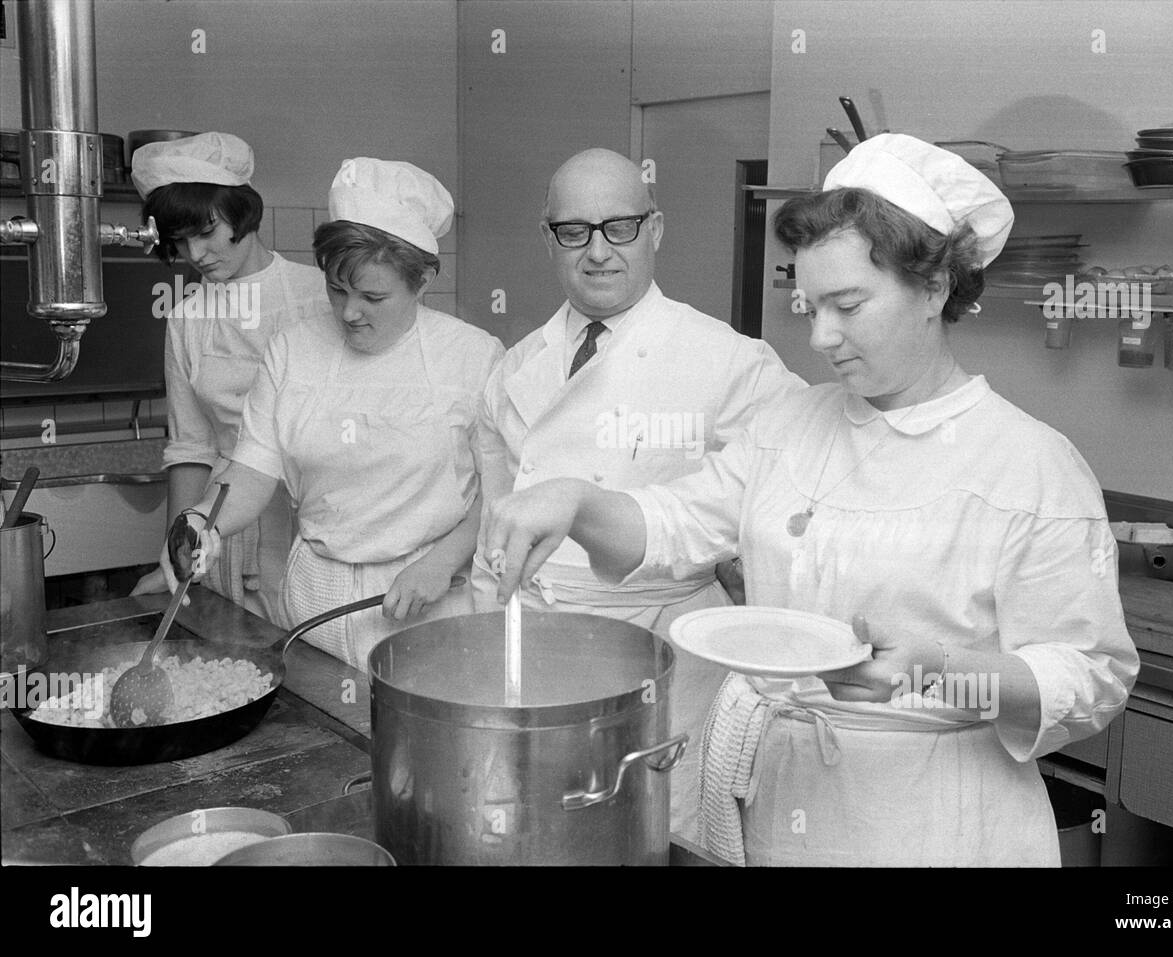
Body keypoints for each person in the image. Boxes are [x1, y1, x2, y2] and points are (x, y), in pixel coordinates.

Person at [483, 135, 1139, 866]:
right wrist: (574, 501)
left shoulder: (1029, 463)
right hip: (785, 802)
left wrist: (937, 667)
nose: (821, 336)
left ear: (934, 288)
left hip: (931, 821)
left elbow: (1093, 677)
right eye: (811, 304)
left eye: (848, 305)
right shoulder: (790, 427)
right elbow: (677, 521)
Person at [472, 148, 805, 840]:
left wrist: (754, 584)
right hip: (534, 656)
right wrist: (483, 655)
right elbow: (495, 532)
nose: (597, 251)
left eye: (619, 226)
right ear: (548, 239)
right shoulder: (516, 366)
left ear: (656, 229)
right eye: (574, 231)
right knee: (538, 838)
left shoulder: (730, 362)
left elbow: (802, 504)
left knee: (651, 840)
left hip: (662, 670)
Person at [162, 158, 503, 669]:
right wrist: (200, 521)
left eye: (372, 296)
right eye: (336, 290)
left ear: (424, 279)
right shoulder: (291, 350)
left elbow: (502, 490)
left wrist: (442, 562)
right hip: (316, 595)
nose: (348, 312)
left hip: (429, 597)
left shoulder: (474, 356)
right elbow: (252, 473)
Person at [130, 132, 332, 623]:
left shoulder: (319, 298)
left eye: (207, 232)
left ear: (242, 212)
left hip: (313, 523)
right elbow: (191, 449)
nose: (196, 253)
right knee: (233, 657)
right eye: (180, 240)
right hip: (218, 526)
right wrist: (175, 557)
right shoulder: (186, 319)